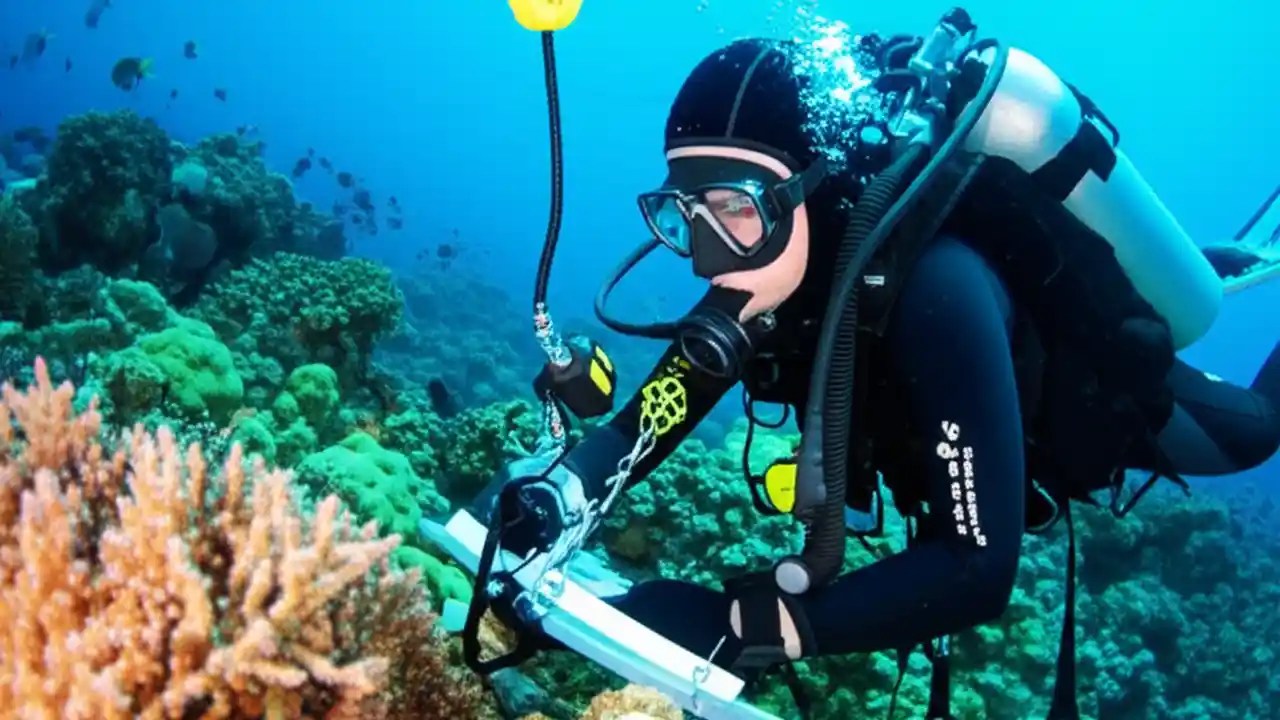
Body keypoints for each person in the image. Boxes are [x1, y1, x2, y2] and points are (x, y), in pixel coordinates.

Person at [476, 31, 1280, 717]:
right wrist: (563, 491)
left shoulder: (936, 290)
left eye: (735, 207)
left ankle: (1197, 274)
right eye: (684, 213)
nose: (709, 250)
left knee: (1254, 433)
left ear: (813, 192)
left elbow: (978, 567)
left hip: (1078, 400)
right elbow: (648, 417)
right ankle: (1219, 256)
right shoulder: (772, 280)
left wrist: (752, 626)